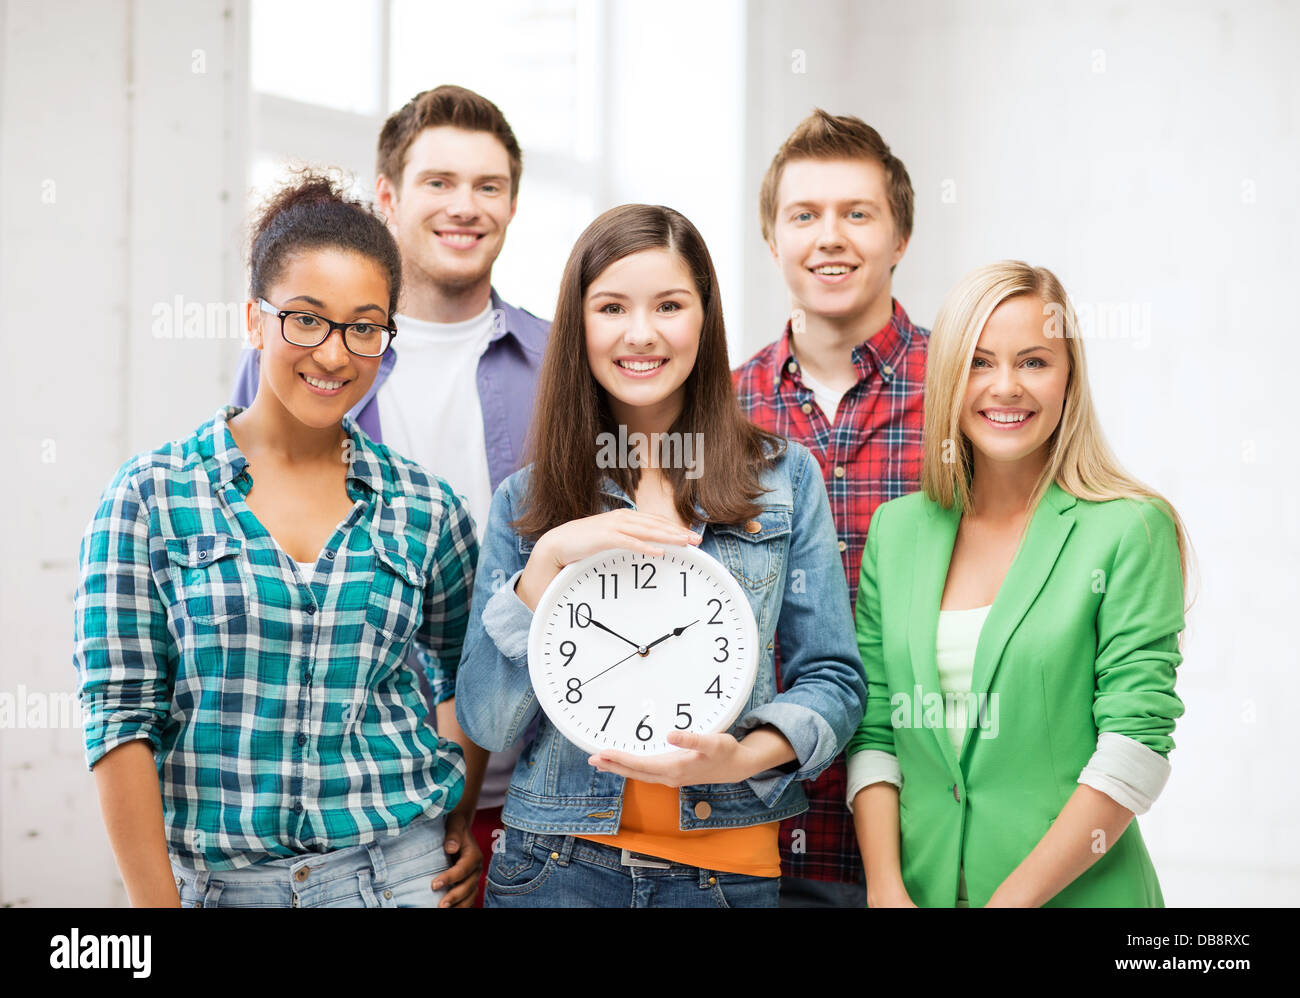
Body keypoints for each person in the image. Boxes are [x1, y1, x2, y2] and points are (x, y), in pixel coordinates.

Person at [75, 172, 485, 907]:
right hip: (218, 887)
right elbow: (120, 721)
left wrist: (458, 811)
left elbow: (467, 674)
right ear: (255, 320)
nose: (334, 354)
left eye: (364, 326)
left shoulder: (425, 507)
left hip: (398, 878)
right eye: (305, 318)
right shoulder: (148, 496)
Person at [454, 203, 866, 907]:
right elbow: (487, 722)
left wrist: (744, 757)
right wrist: (547, 560)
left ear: (703, 320)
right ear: (578, 323)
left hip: (726, 875)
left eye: (669, 305)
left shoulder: (783, 478)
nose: (640, 334)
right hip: (554, 868)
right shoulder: (527, 501)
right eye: (611, 307)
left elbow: (833, 680)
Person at [231, 85, 548, 905]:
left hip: (535, 785)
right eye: (439, 181)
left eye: (489, 186)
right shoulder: (304, 357)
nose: (465, 207)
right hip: (350, 796)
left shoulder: (560, 363)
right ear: (387, 197)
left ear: (513, 203)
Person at [849, 260, 1191, 907]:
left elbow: (1135, 747)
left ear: (1069, 378)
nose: (1005, 387)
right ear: (948, 376)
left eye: (1033, 361)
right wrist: (886, 888)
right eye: (979, 362)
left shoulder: (1129, 529)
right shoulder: (895, 533)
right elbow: (874, 735)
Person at [733, 108, 927, 907]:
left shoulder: (968, 398)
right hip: (756, 828)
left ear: (899, 237)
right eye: (804, 215)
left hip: (928, 823)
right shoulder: (718, 412)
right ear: (774, 241)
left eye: (858, 213)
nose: (830, 237)